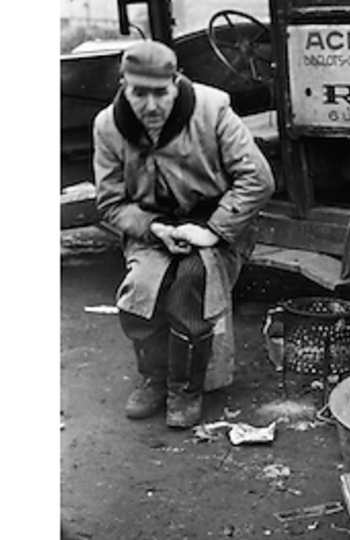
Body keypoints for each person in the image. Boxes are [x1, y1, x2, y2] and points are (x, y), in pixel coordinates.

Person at [93, 41, 276, 428]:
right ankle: (155, 378)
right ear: (123, 85)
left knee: (190, 285)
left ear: (176, 83)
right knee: (140, 292)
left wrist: (212, 231)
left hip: (214, 224)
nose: (152, 105)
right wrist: (152, 229)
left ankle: (185, 388)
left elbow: (257, 179)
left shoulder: (213, 110)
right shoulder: (108, 126)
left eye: (161, 92)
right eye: (139, 93)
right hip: (153, 228)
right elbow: (110, 205)